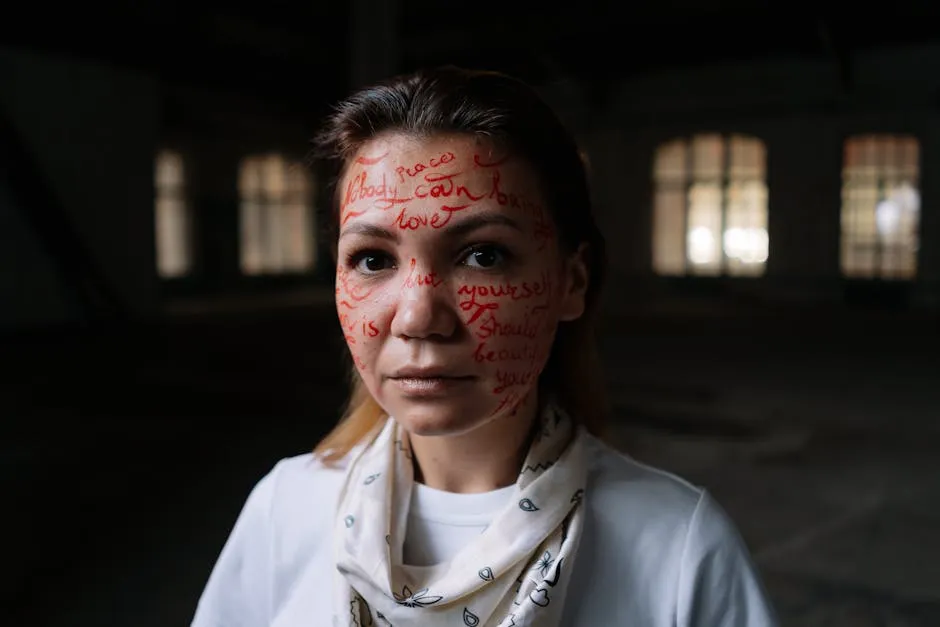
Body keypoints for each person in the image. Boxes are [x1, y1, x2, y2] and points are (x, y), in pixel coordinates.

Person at [190, 65, 778, 626]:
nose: (419, 317)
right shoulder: (285, 509)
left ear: (570, 281)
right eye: (373, 259)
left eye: (483, 256)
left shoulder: (677, 546)